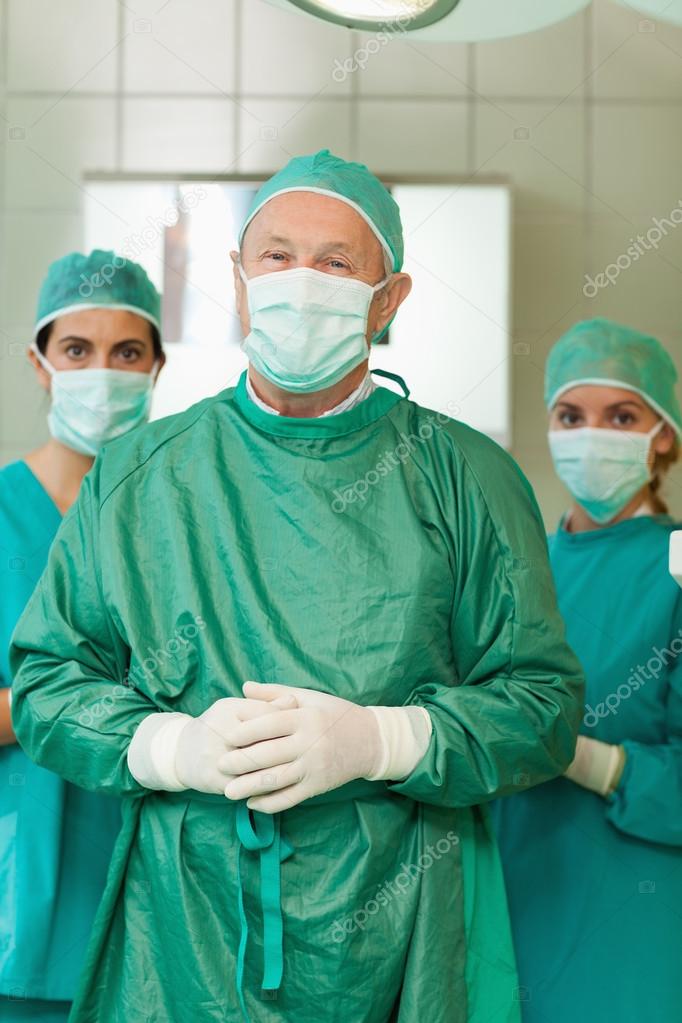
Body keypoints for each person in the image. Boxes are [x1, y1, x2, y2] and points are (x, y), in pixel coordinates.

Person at [10, 151, 583, 1023]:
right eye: (276, 257)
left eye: (336, 262)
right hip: (184, 930)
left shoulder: (465, 477)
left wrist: (385, 740)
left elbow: (543, 706)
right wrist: (171, 747)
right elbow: (49, 684)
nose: (300, 282)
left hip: (397, 925)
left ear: (388, 300)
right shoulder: (139, 475)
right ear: (239, 281)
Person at [493, 318, 682, 1022]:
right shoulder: (516, 568)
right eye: (571, 416)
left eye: (621, 416)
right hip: (511, 902)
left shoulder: (678, 567)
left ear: (663, 434)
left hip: (633, 928)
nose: (591, 435)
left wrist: (594, 763)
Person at [0, 250, 164, 1021]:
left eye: (126, 352)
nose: (102, 372)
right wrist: (87, 707)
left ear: (157, 366)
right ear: (40, 364)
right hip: (23, 895)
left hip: (163, 889)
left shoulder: (182, 518)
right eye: (76, 349)